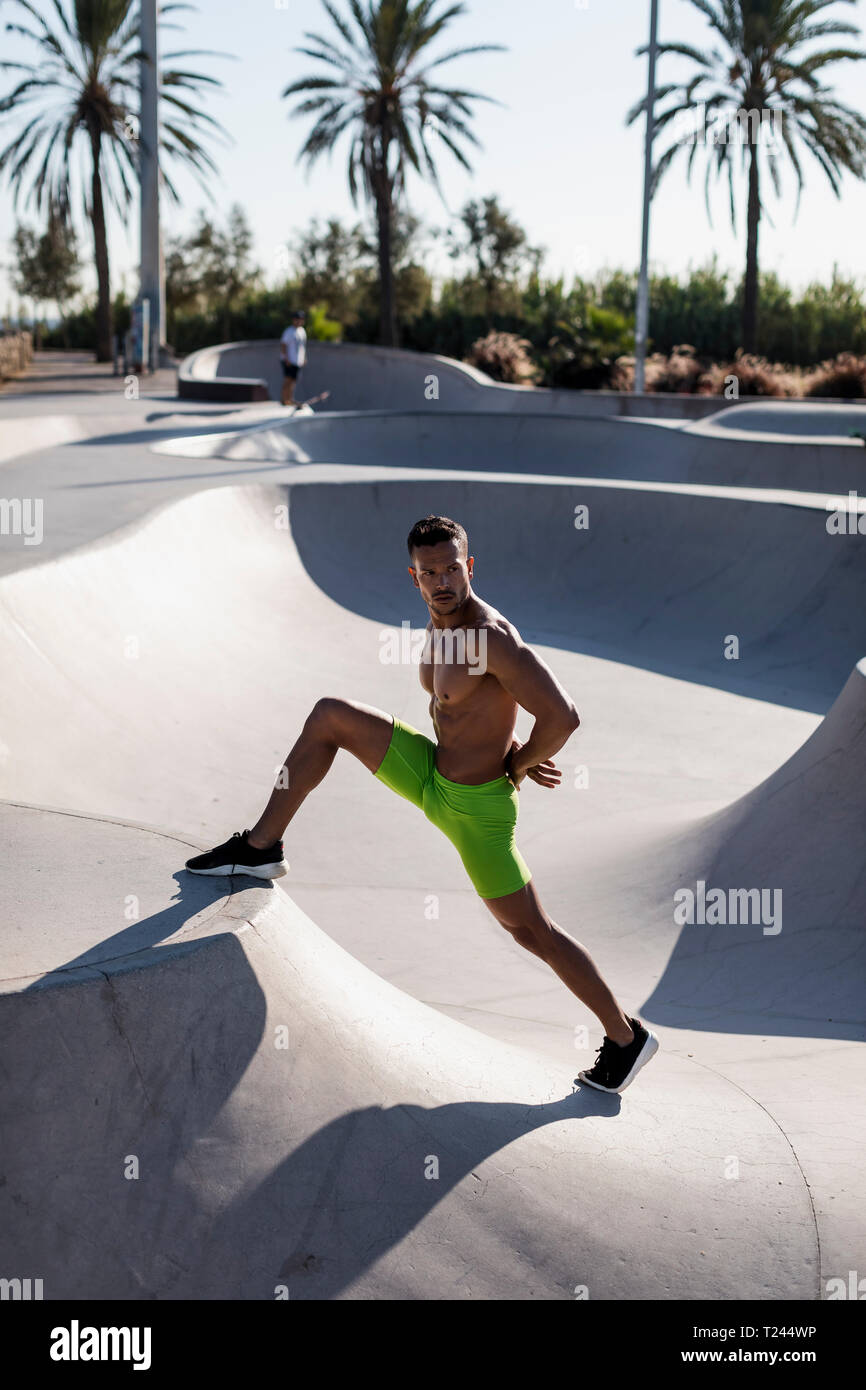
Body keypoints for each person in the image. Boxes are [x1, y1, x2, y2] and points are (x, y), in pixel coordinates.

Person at [185, 514, 659, 1094]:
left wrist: (519, 762)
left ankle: (625, 1038)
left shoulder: (491, 637)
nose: (442, 582)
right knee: (330, 715)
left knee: (532, 932)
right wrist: (503, 739)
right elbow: (469, 709)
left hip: (477, 810)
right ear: (413, 576)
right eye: (429, 572)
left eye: (452, 570)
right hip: (431, 774)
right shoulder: (437, 627)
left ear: (470, 567)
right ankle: (261, 847)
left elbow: (563, 716)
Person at [279, 310, 306, 406]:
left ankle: (289, 399)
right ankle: (284, 399)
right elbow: (283, 345)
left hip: (297, 361)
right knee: (288, 380)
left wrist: (304, 358)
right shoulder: (289, 331)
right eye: (297, 319)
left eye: (301, 320)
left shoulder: (302, 331)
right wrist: (286, 359)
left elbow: (302, 346)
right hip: (289, 360)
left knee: (293, 380)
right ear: (293, 320)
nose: (299, 321)